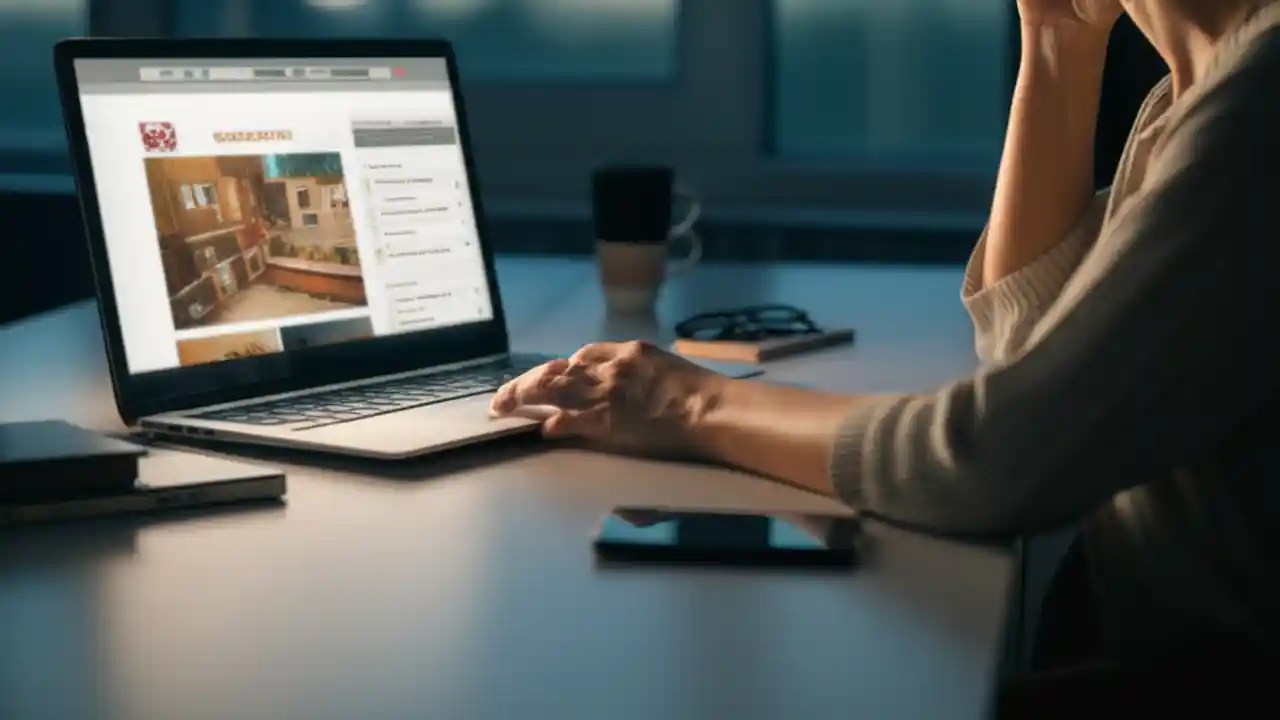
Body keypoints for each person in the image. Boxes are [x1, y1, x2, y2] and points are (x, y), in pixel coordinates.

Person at [492, 0, 1279, 706]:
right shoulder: (1185, 98)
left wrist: (689, 401)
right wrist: (1055, 37)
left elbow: (998, 457)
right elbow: (1033, 351)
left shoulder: (1257, 108)